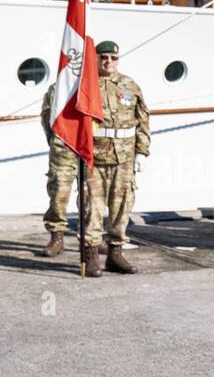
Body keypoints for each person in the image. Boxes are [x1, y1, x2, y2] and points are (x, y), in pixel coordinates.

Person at [86, 41, 150, 276]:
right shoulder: (85, 86)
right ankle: (91, 255)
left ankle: (115, 254)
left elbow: (142, 119)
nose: (108, 62)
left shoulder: (129, 85)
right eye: (103, 57)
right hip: (94, 156)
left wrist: (142, 151)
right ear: (95, 58)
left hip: (124, 156)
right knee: (91, 207)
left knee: (122, 206)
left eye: (113, 58)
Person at [38, 82, 79, 258]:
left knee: (92, 195)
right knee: (59, 192)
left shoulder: (97, 84)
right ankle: (57, 237)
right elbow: (47, 117)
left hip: (94, 147)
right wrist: (55, 142)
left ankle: (92, 240)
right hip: (63, 145)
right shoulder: (58, 87)